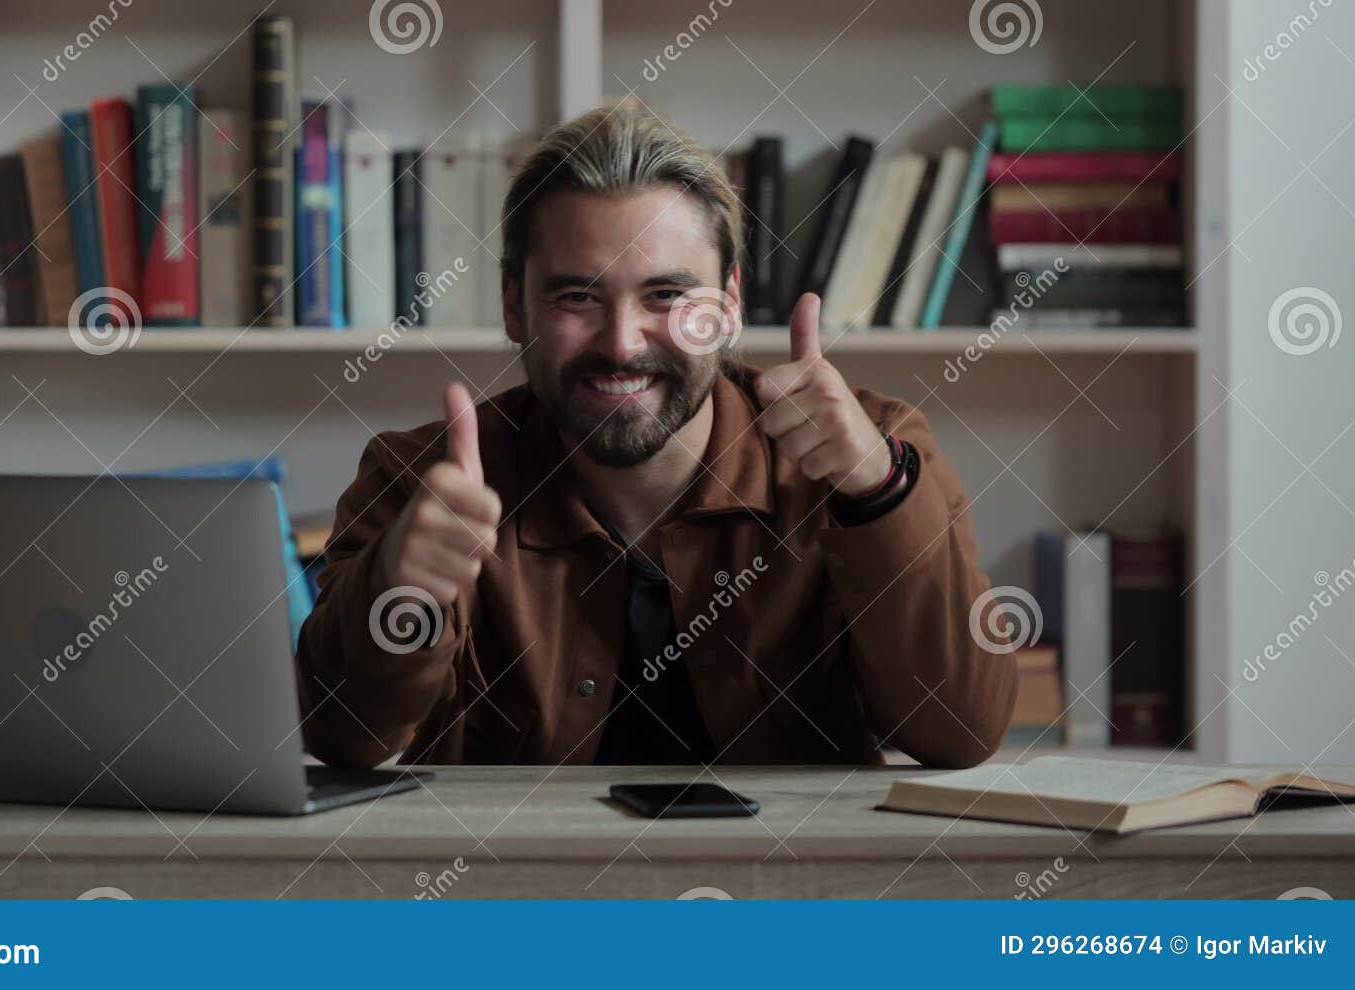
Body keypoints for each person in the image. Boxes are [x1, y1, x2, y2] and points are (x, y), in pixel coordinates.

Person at [296, 104, 1018, 769]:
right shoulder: (418, 478)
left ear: (730, 302)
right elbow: (341, 737)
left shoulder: (873, 455)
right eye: (577, 297)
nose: (622, 343)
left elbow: (960, 731)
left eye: (667, 296)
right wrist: (402, 589)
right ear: (514, 306)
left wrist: (876, 495)